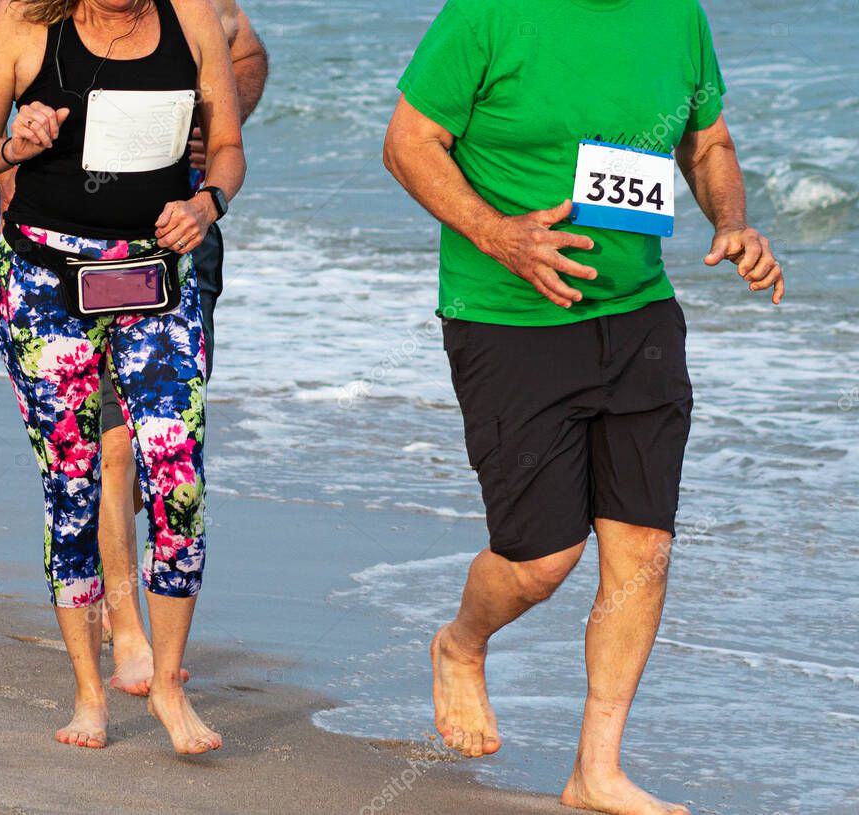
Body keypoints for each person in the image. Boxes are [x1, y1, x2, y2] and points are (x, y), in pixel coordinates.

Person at [384, 1, 783, 813]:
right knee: (542, 560)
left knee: (643, 548)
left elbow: (705, 141)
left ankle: (595, 770)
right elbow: (407, 143)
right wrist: (499, 235)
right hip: (508, 315)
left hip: (639, 313)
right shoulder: (487, 16)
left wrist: (734, 220)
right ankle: (460, 645)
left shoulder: (677, 15)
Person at [0, 0, 267, 698]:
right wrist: (10, 157)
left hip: (162, 261)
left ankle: (161, 677)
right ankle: (109, 656)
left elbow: (243, 66)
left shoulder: (195, 13)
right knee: (86, 465)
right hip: (51, 272)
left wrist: (207, 166)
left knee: (173, 467)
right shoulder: (18, 16)